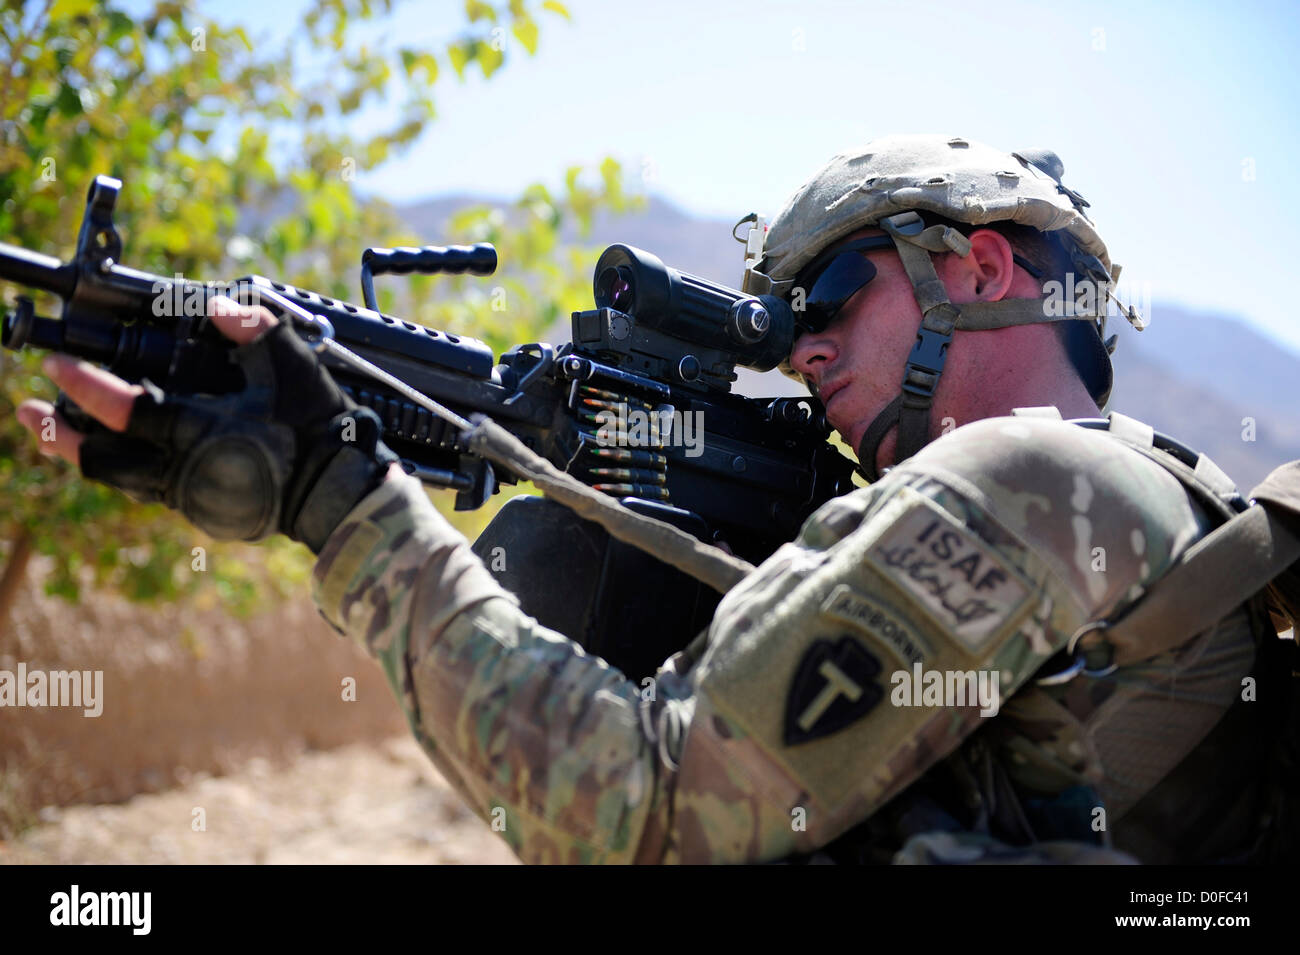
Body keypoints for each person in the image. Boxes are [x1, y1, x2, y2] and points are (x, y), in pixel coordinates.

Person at [14, 134, 1286, 864]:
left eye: (829, 299)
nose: (801, 352)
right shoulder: (1163, 482)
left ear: (979, 265)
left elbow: (640, 804)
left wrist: (335, 503)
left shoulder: (1026, 474)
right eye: (784, 331)